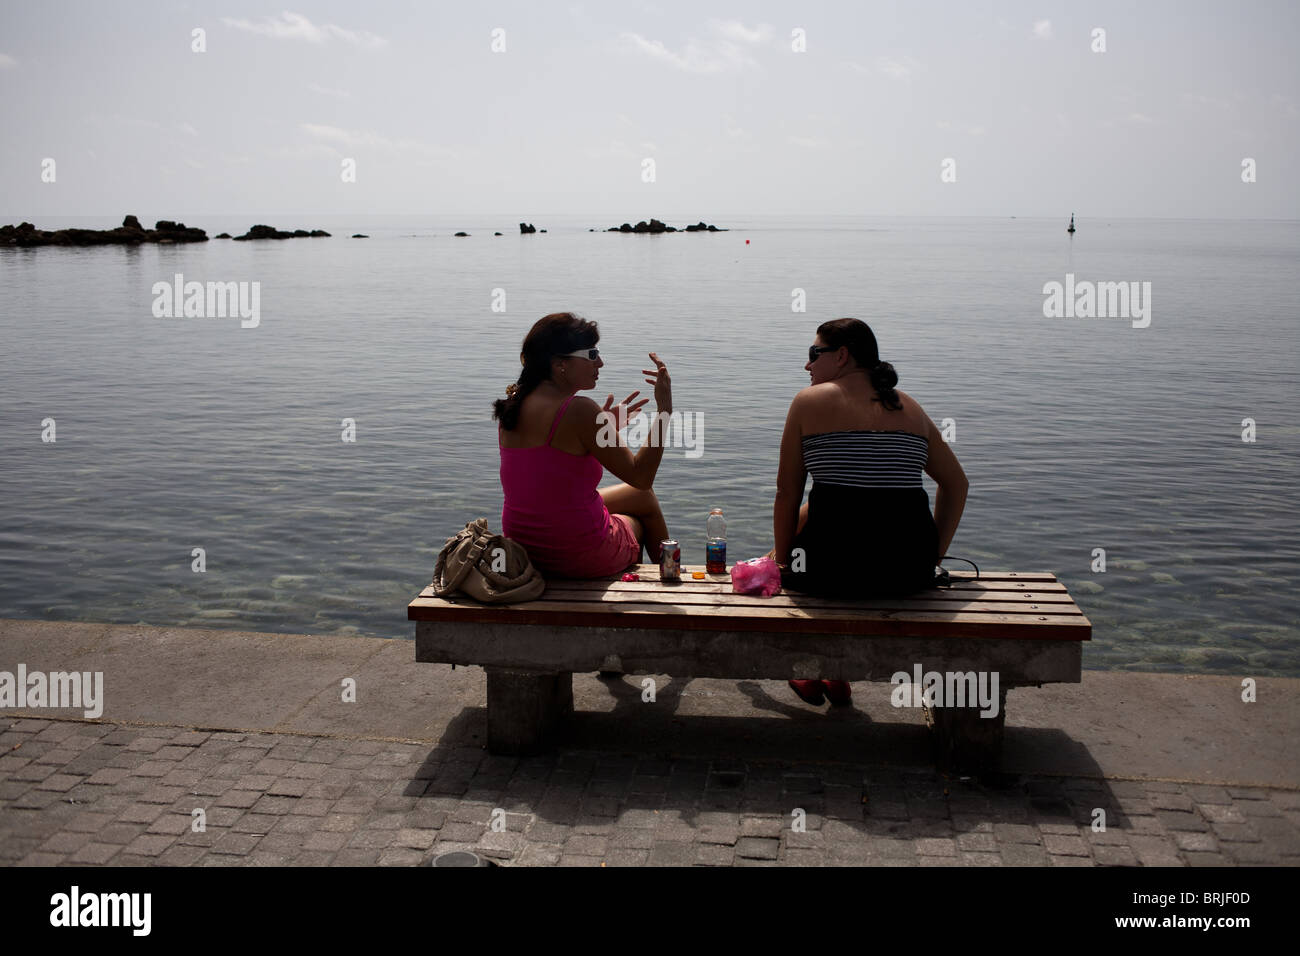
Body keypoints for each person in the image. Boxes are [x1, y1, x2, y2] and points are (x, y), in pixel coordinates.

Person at [773, 318, 968, 707]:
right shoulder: (910, 407)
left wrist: (782, 563)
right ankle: (835, 672)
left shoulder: (807, 402)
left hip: (830, 571)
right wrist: (933, 557)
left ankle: (814, 668)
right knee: (831, 506)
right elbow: (957, 485)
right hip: (907, 571)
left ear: (842, 356)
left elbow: (786, 494)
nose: (807, 366)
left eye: (814, 354)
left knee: (822, 517)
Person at [493, 312, 673, 578]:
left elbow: (547, 473)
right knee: (640, 509)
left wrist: (603, 428)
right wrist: (664, 410)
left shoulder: (515, 404)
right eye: (591, 354)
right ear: (559, 364)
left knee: (639, 498)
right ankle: (669, 576)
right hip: (575, 555)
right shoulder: (580, 410)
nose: (600, 362)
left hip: (527, 551)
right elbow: (641, 476)